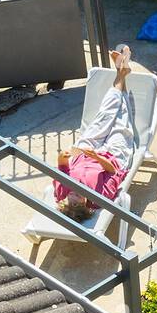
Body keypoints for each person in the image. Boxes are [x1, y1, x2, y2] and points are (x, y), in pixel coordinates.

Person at [53, 46, 137, 222]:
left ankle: (122, 73)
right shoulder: (99, 199)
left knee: (105, 115)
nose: (74, 197)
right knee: (121, 121)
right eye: (77, 203)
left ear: (64, 201)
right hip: (114, 157)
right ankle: (122, 72)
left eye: (70, 201)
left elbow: (62, 167)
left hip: (83, 152)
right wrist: (98, 158)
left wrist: (62, 157)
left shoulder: (61, 191)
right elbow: (112, 172)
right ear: (86, 206)